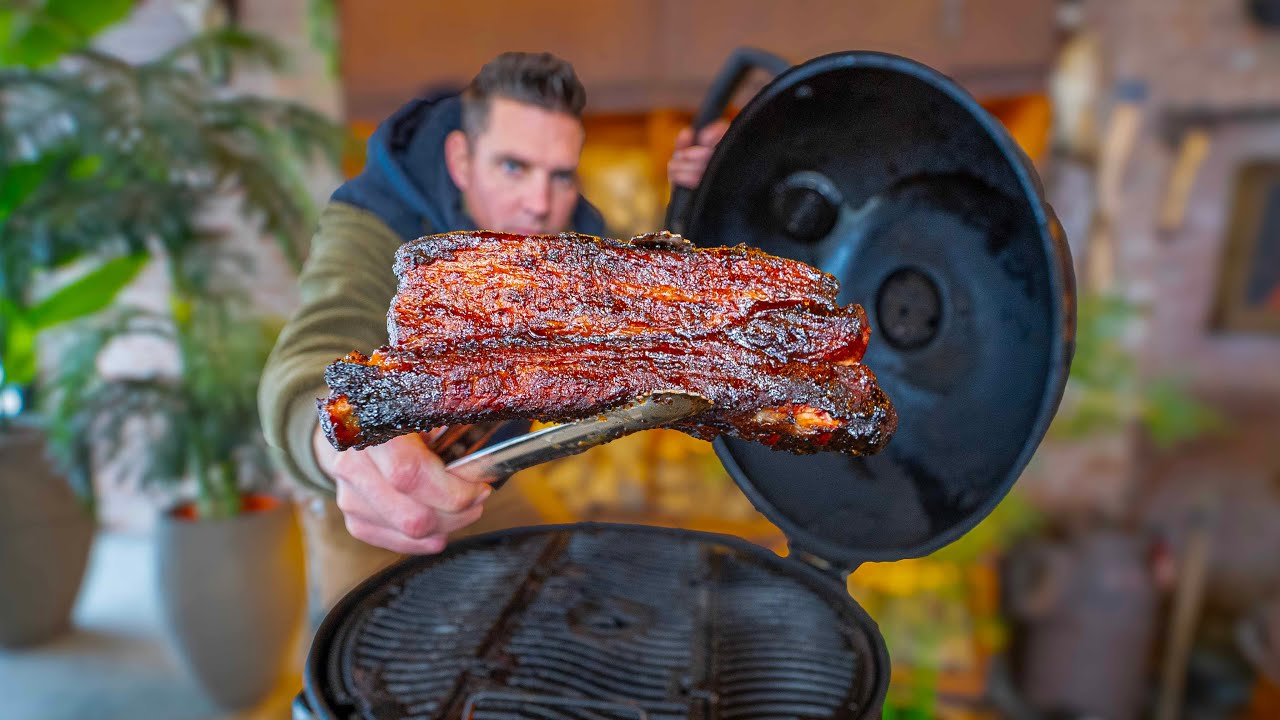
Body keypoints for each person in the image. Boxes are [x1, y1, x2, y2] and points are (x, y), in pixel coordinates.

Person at [259, 53, 726, 584]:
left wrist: (702, 196)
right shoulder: (373, 225)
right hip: (368, 502)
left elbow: (652, 302)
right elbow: (310, 352)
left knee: (562, 592)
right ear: (461, 160)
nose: (539, 204)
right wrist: (336, 441)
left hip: (488, 479)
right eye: (513, 167)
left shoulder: (567, 232)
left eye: (561, 175)